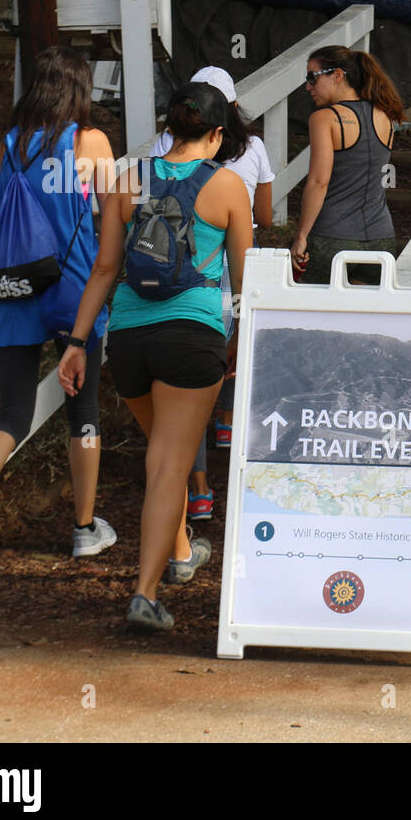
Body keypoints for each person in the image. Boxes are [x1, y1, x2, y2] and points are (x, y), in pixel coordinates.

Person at [58, 81, 253, 631]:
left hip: (128, 341)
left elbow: (104, 269)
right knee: (169, 463)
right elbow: (245, 282)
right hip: (192, 337)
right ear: (216, 134)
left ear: (170, 127)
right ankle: (144, 594)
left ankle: (183, 553)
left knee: (161, 453)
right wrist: (241, 343)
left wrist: (77, 344)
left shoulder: (128, 178)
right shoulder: (228, 186)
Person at [0, 46, 116, 562]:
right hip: (76, 291)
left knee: (15, 412)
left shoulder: (2, 146)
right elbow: (114, 218)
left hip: (13, 289)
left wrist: (19, 226)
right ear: (79, 90)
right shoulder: (92, 143)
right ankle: (85, 529)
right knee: (82, 411)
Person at [151, 66, 275, 520]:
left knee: (183, 392)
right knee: (231, 342)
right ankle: (227, 421)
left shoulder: (163, 150)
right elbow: (263, 213)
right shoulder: (253, 148)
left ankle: (199, 490)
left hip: (173, 272)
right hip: (231, 257)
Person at [292, 46, 404, 285]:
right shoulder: (386, 116)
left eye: (313, 77)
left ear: (338, 75)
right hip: (381, 239)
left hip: (331, 238)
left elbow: (319, 182)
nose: (308, 87)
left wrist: (301, 236)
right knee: (365, 319)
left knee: (315, 318)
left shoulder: (324, 118)